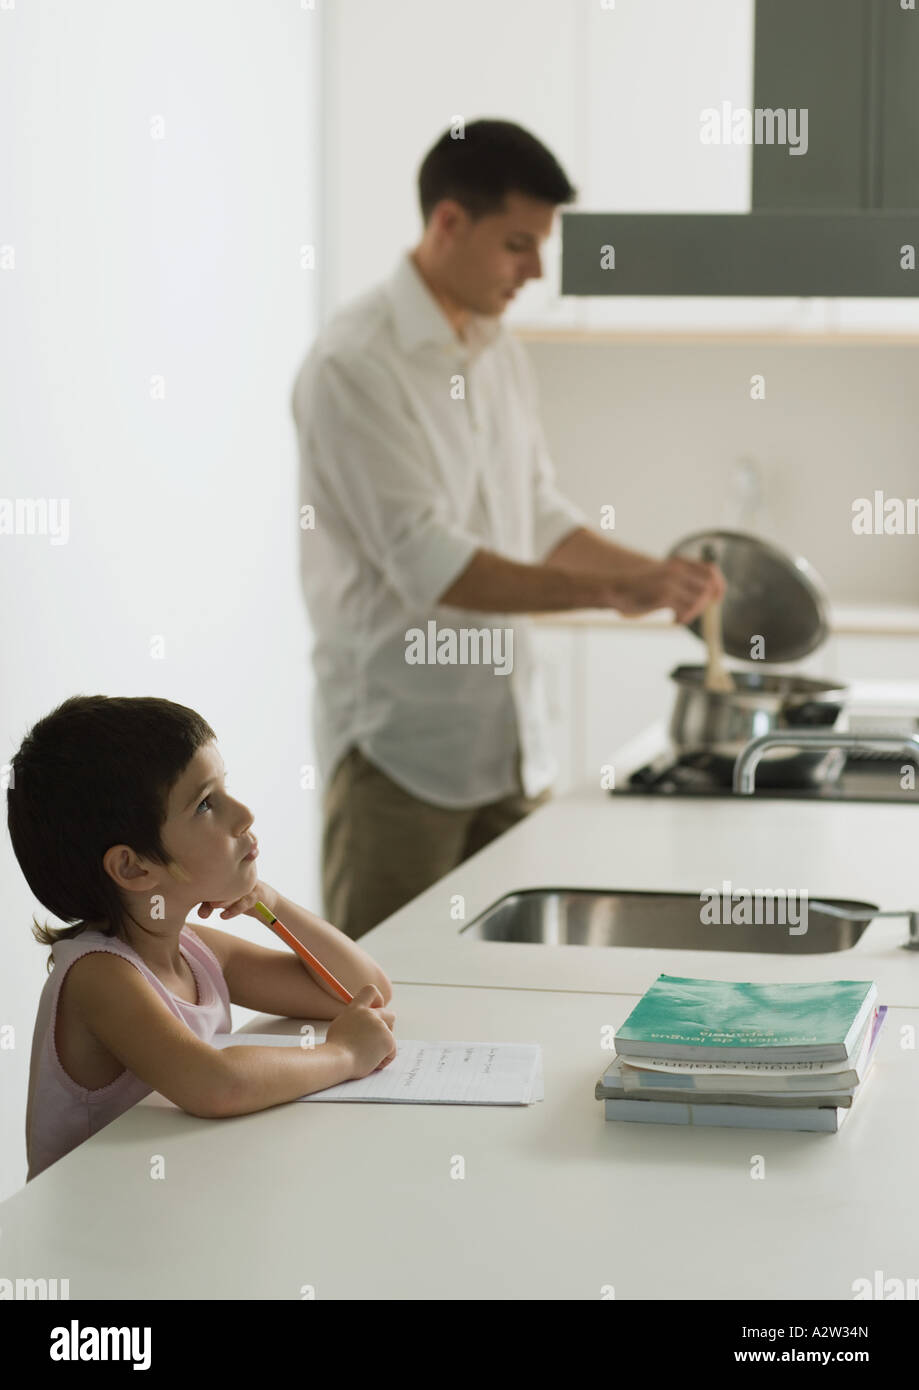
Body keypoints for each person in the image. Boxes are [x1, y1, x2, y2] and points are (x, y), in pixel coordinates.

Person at [291, 118, 723, 941]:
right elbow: (434, 567)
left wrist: (660, 576)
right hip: (397, 757)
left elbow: (539, 516)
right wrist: (612, 589)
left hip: (508, 747)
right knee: (388, 1009)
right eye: (519, 244)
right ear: (447, 222)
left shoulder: (494, 348)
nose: (537, 269)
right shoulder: (355, 366)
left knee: (510, 993)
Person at [7, 694, 395, 1180]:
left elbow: (362, 991)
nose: (244, 813)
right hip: (90, 1236)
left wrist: (270, 904)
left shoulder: (194, 951)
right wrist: (344, 1056)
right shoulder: (97, 976)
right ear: (133, 866)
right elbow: (217, 1085)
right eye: (206, 804)